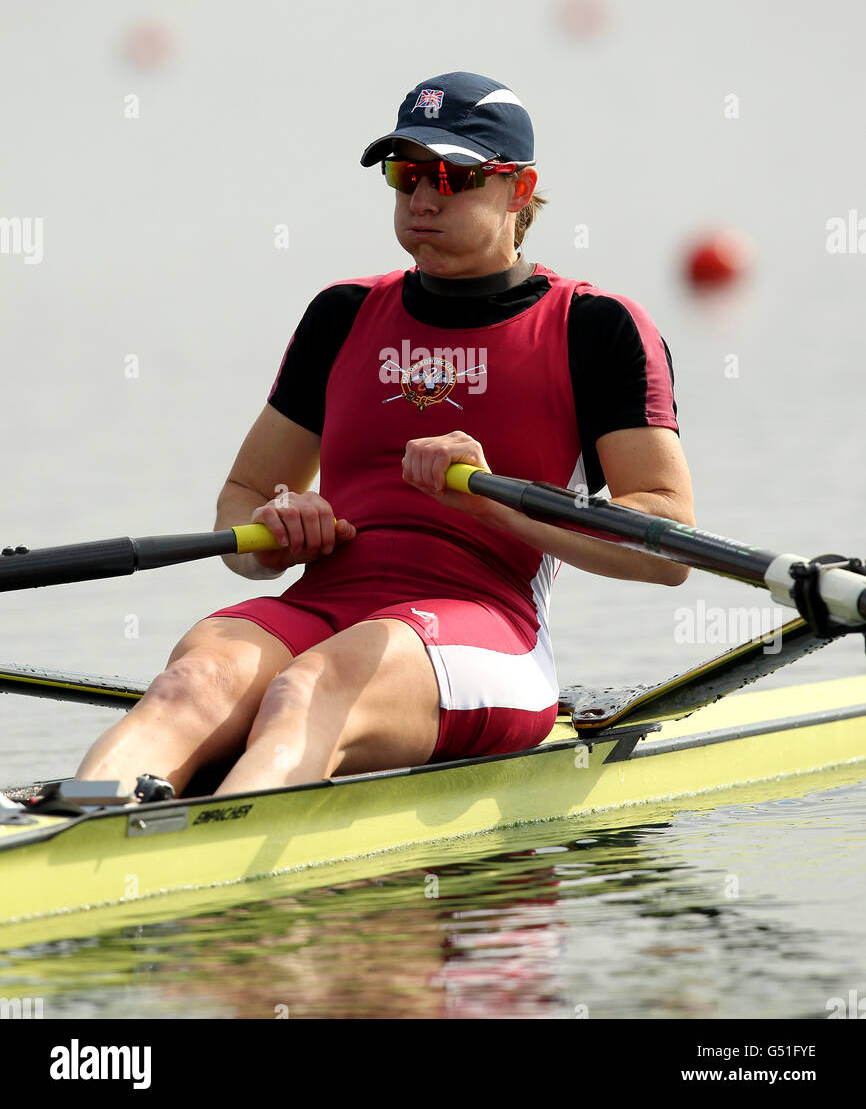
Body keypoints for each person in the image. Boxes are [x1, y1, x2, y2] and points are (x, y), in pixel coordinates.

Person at [76, 70, 694, 801]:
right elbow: (240, 501)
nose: (423, 198)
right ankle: (70, 828)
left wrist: (497, 506)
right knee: (193, 677)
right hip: (321, 605)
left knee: (311, 687)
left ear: (520, 190)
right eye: (405, 175)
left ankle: (220, 853)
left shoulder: (595, 328)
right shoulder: (341, 315)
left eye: (452, 176)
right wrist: (274, 530)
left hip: (486, 624)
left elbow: (668, 545)